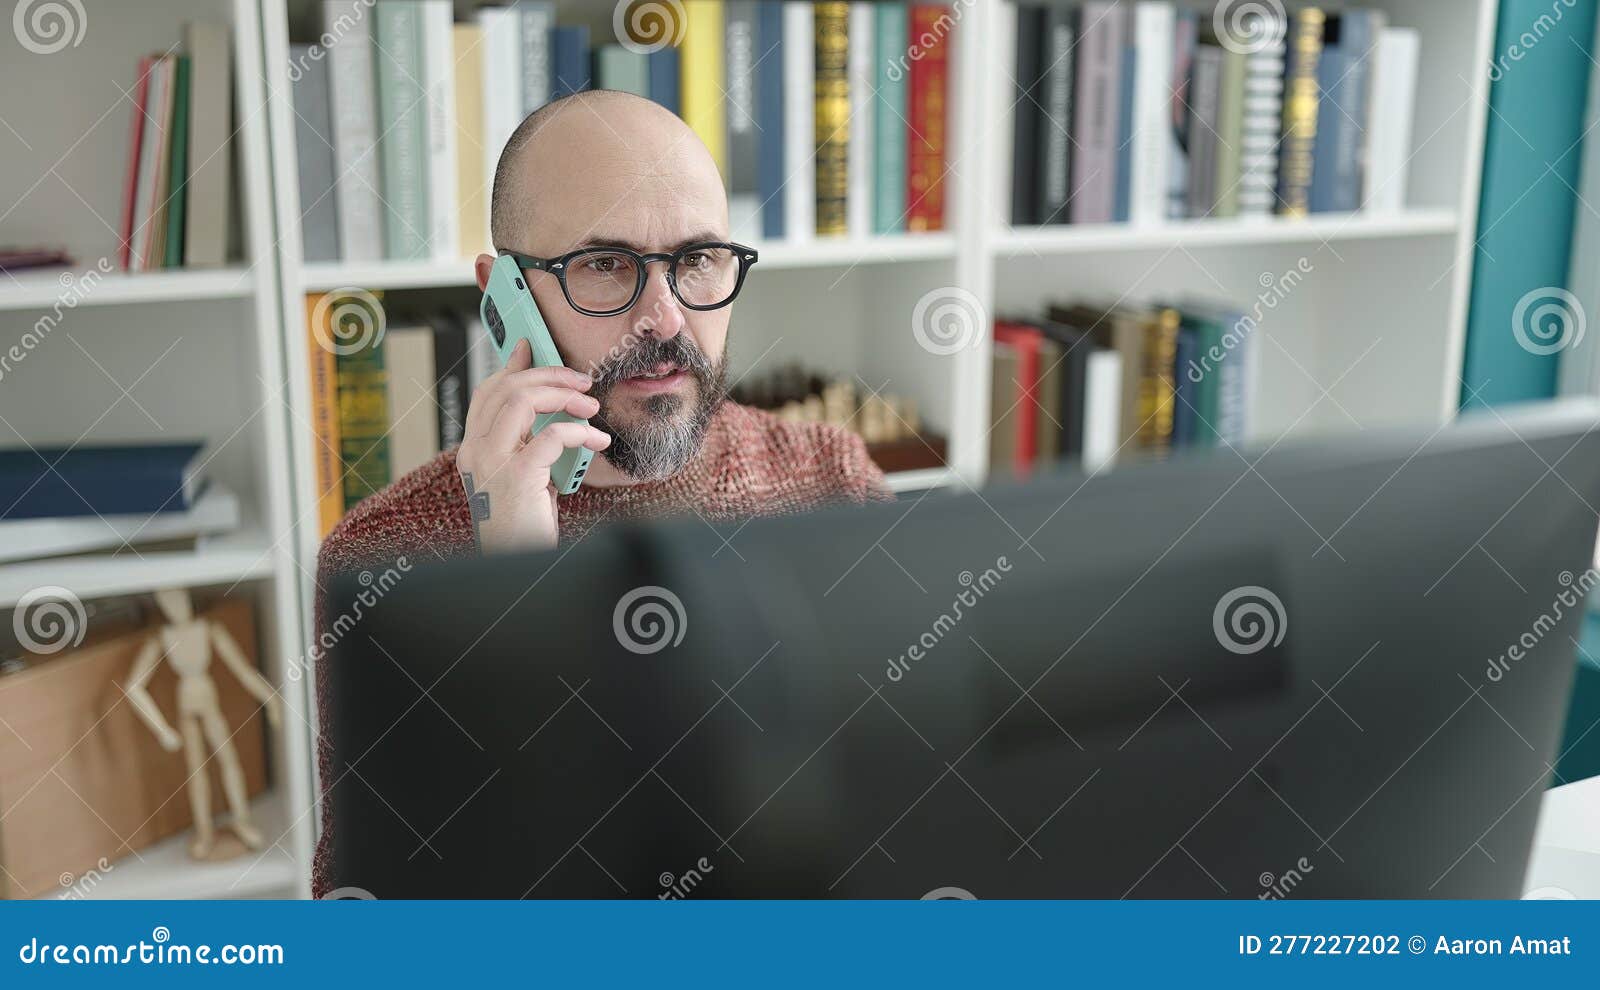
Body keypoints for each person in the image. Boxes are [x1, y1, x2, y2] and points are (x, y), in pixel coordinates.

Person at [308, 90, 895, 896]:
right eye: (606, 264)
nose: (666, 317)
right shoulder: (386, 560)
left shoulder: (834, 481)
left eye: (697, 260)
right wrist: (516, 586)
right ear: (502, 295)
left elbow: (898, 831)